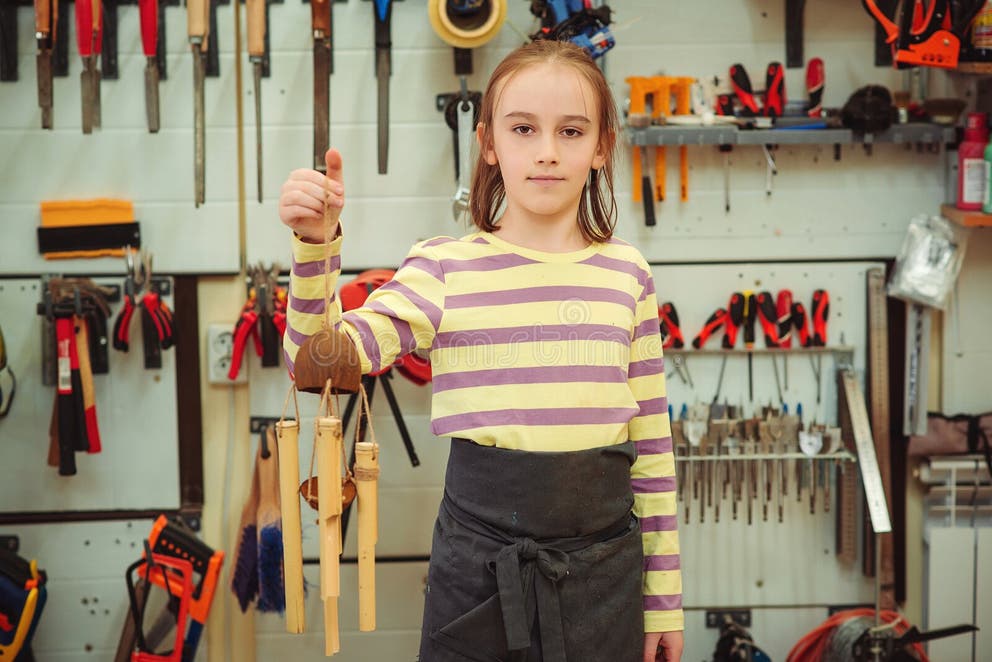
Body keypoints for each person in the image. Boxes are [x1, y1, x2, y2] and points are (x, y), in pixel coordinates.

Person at [278, 39, 684, 662]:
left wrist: (663, 602)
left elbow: (653, 453)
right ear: (490, 142)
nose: (547, 152)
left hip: (607, 575)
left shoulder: (627, 274)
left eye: (571, 131)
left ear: (601, 147)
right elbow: (315, 362)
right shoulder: (443, 268)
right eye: (524, 129)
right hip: (478, 572)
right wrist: (316, 246)